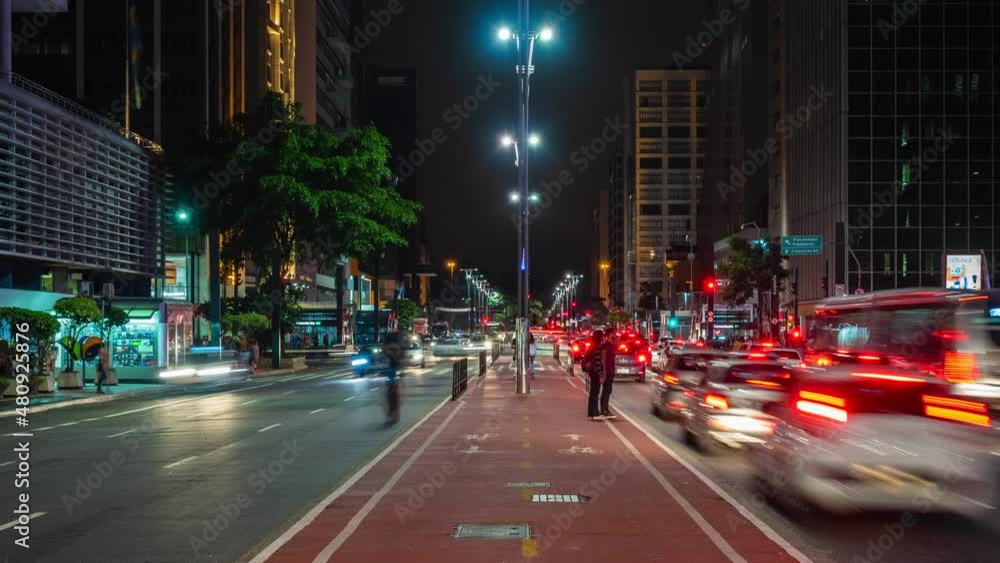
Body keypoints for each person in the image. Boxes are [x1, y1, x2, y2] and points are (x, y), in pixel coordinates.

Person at [581, 330, 605, 420]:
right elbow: (597, 362)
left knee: (593, 393)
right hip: (595, 372)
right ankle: (594, 412)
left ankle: (591, 412)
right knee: (595, 392)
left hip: (592, 372)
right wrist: (601, 374)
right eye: (602, 336)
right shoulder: (597, 348)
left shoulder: (592, 347)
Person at [598, 332, 617, 419]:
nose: (615, 335)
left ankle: (606, 408)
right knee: (605, 390)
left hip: (611, 370)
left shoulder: (612, 345)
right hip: (607, 370)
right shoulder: (605, 346)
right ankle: (603, 409)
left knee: (609, 390)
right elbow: (603, 360)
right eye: (613, 333)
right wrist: (604, 372)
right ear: (609, 335)